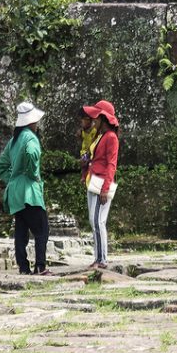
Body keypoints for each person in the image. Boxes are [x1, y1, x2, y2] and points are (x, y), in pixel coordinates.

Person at [0, 100, 49, 275]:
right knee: (42, 230)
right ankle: (40, 266)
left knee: (21, 231)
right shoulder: (30, 137)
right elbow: (32, 153)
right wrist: (33, 173)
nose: (37, 124)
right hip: (29, 191)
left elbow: (1, 165)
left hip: (15, 192)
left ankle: (23, 267)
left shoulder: (14, 140)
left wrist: (11, 180)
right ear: (30, 121)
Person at [82, 99, 120, 271]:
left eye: (96, 118)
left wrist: (105, 189)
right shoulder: (101, 136)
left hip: (101, 184)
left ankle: (102, 259)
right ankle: (98, 257)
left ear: (103, 119)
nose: (93, 121)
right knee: (94, 221)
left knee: (98, 221)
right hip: (94, 181)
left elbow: (111, 164)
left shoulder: (111, 137)